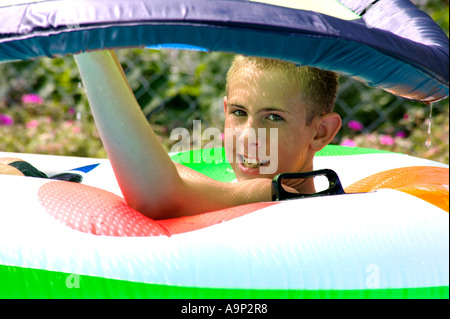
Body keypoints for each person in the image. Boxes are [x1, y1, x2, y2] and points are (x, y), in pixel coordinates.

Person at [73, 50, 341, 219]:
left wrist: (89, 51)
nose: (248, 135)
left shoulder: (275, 192)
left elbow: (157, 198)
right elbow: (171, 174)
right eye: (238, 113)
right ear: (225, 110)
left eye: (273, 117)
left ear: (320, 132)